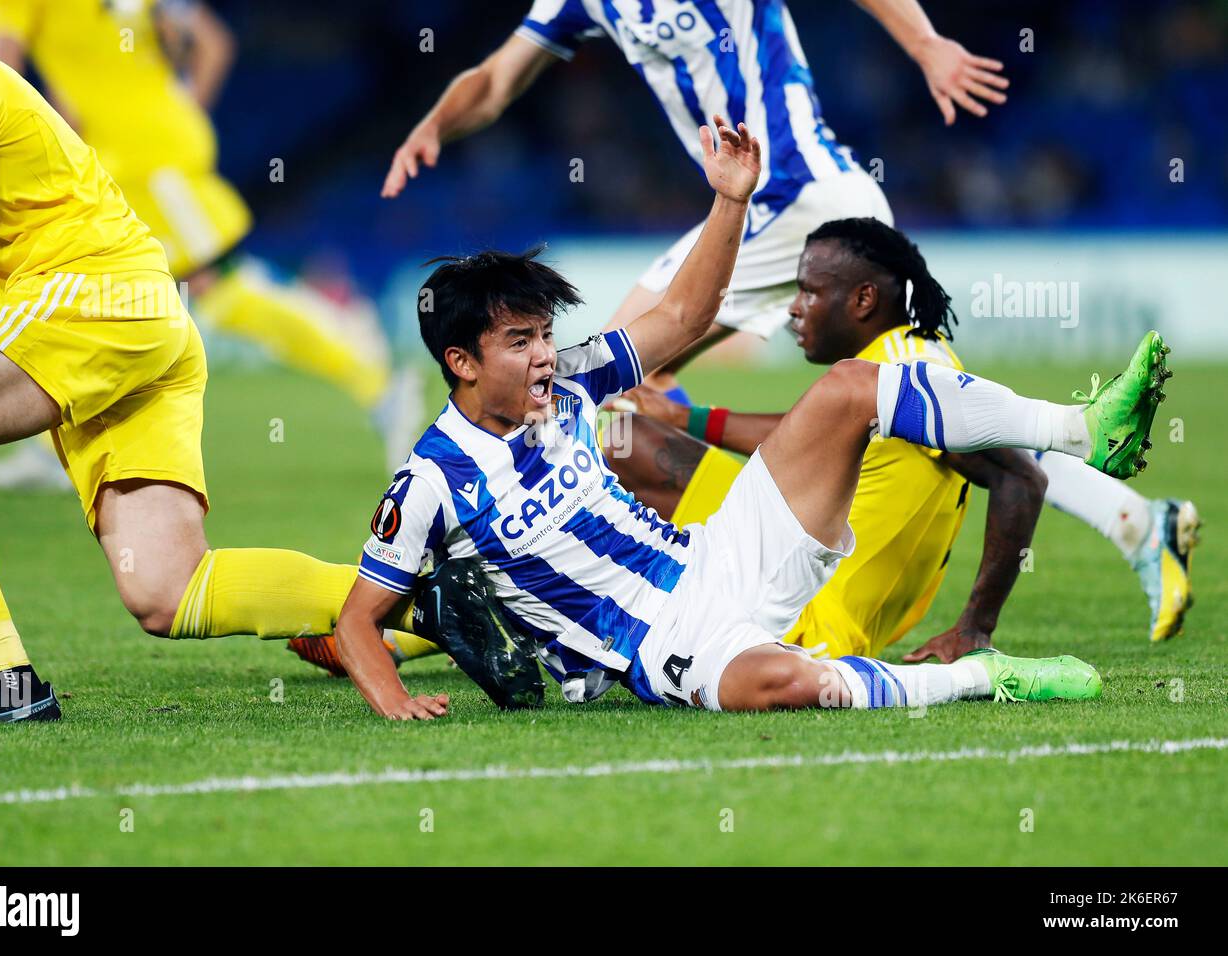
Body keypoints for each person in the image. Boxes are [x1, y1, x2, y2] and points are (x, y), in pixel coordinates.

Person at [331, 116, 1168, 719]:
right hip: (659, 644)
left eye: (546, 334)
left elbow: (688, 318)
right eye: (521, 342)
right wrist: (393, 698)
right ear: (462, 363)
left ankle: (1082, 428)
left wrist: (730, 201)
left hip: (721, 552)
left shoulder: (576, 382)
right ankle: (987, 677)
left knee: (847, 388)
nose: (547, 355)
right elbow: (356, 618)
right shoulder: (434, 479)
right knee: (790, 686)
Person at [0, 24, 393, 725]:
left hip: (86, 297)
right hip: (139, 309)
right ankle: (437, 609)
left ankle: (1, 675)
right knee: (170, 591)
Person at [601, 217, 1198, 666]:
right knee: (627, 435)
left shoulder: (912, 368)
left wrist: (975, 628)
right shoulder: (893, 363)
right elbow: (796, 437)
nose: (793, 311)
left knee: (616, 444)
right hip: (792, 565)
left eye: (809, 292)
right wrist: (685, 419)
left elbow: (1021, 477)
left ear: (863, 299)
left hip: (803, 616)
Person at [381, 0, 1009, 404]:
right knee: (631, 381)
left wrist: (925, 43)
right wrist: (434, 124)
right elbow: (495, 80)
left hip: (799, 193)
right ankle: (1055, 460)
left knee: (609, 379)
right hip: (767, 206)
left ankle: (667, 561)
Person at [0, 0, 418, 488]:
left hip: (142, 163)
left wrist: (27, 134)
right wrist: (180, 112)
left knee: (219, 289)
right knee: (87, 293)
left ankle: (377, 379)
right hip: (135, 153)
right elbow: (211, 41)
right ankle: (56, 447)